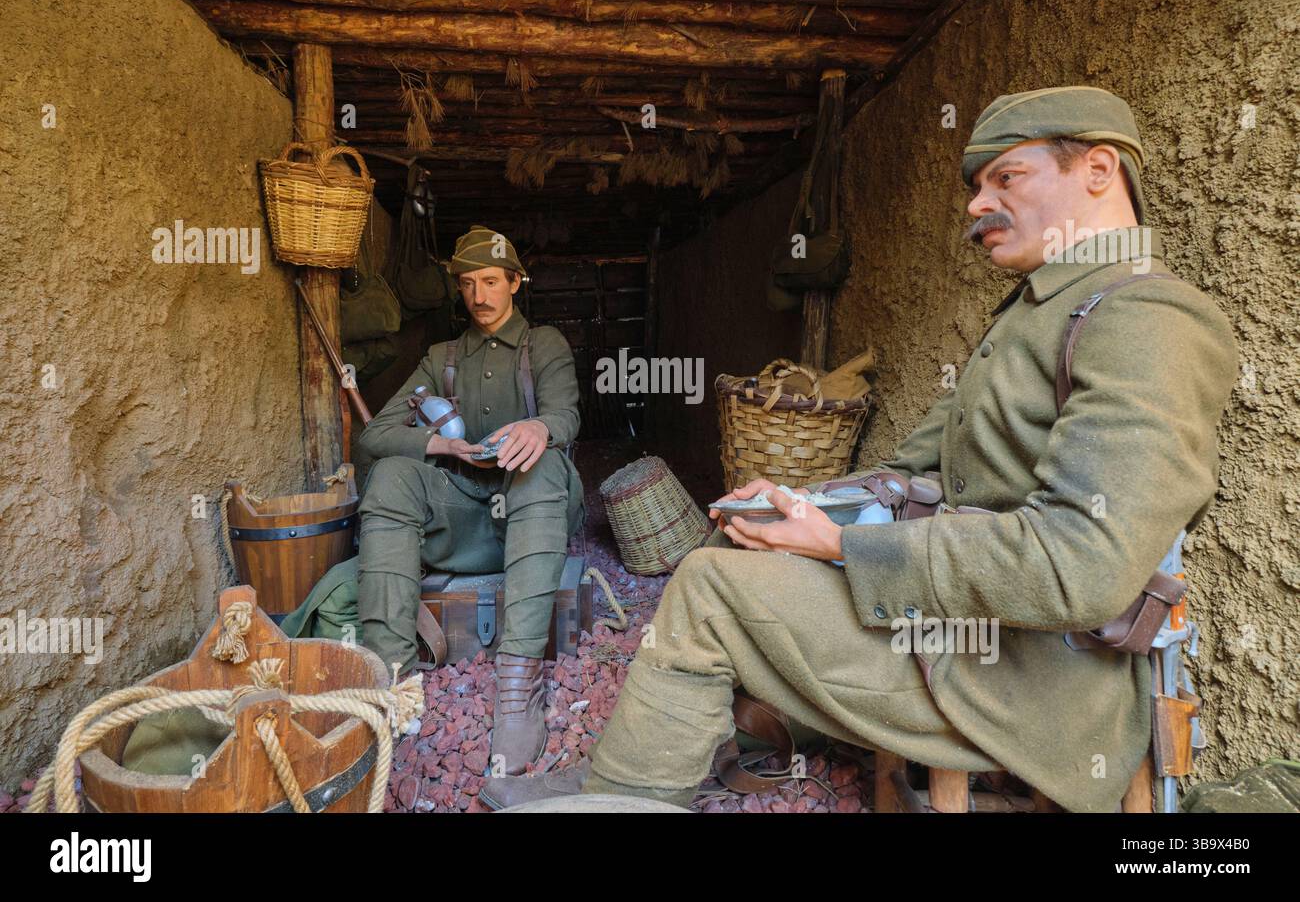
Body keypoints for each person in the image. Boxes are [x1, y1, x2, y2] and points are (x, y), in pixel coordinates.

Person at [481, 87, 1237, 812]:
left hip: (1031, 681)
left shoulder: (1148, 319)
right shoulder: (1039, 312)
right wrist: (797, 504)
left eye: (1006, 176)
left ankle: (623, 798)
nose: (976, 203)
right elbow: (914, 469)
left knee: (709, 590)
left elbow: (1083, 565)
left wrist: (842, 544)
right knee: (740, 543)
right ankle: (655, 762)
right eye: (976, 184)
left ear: (1099, 171)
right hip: (970, 635)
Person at [357, 225, 583, 776]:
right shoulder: (442, 356)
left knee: (544, 460)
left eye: (490, 281)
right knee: (389, 476)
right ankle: (392, 682)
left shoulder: (544, 345)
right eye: (467, 283)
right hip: (461, 519)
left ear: (514, 283)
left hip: (532, 518)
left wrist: (538, 427)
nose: (479, 295)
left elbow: (568, 415)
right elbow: (375, 433)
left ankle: (516, 688)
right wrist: (444, 444)